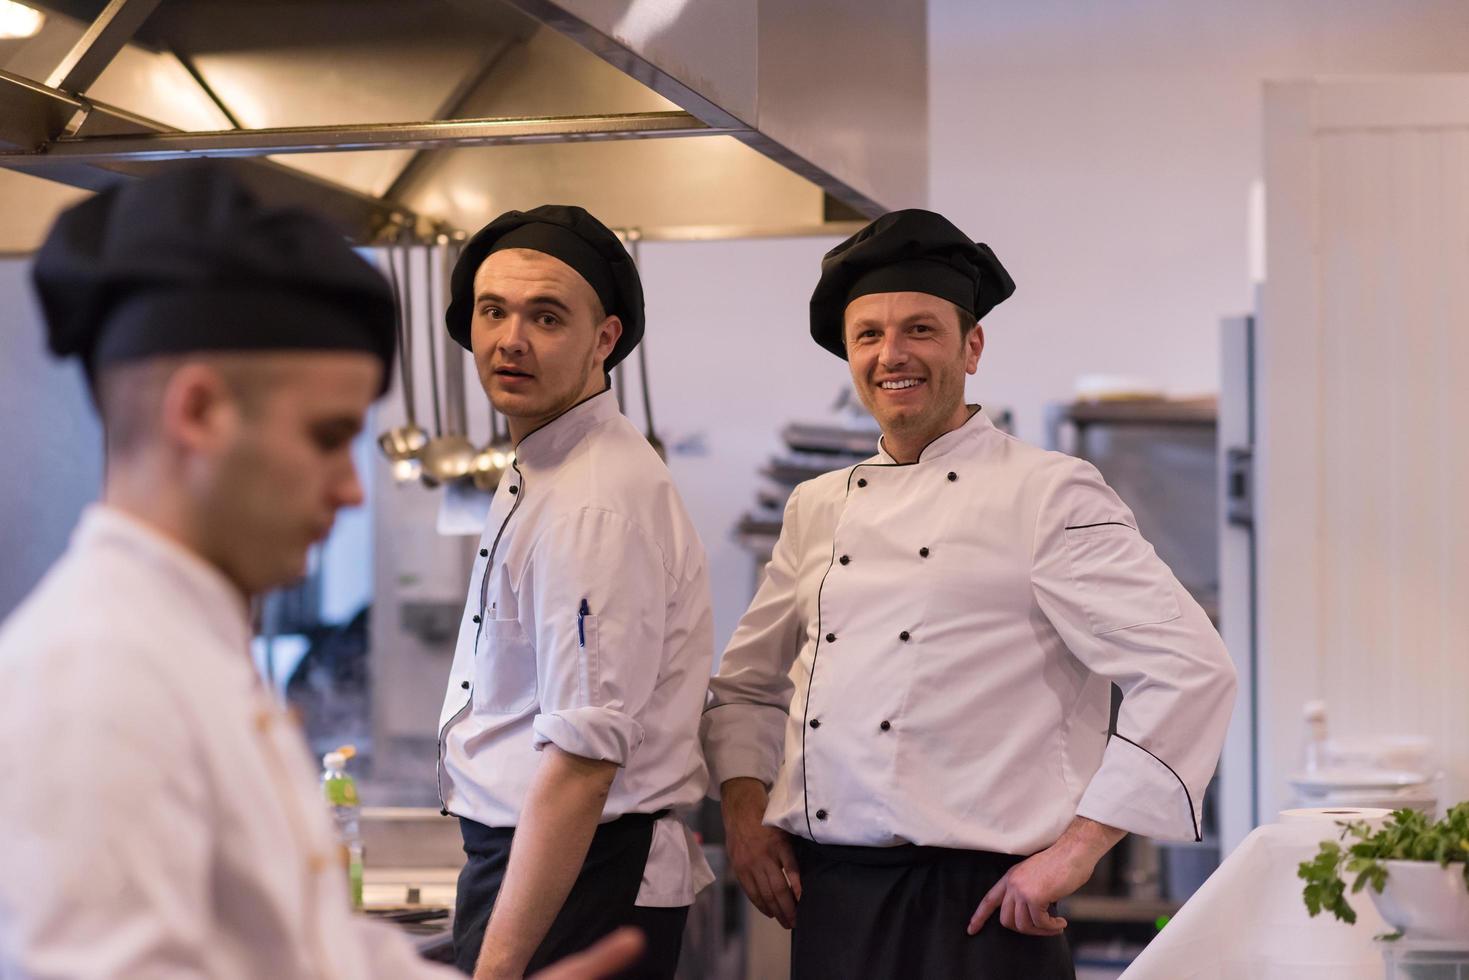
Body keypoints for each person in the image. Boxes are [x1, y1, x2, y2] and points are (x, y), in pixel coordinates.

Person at [0, 165, 644, 980]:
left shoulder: (187, 655)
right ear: (197, 413)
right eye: (327, 436)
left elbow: (312, 950)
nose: (348, 488)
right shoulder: (96, 686)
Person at [701, 209, 1238, 979]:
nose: (892, 355)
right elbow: (746, 687)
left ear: (971, 346)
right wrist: (744, 818)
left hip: (980, 912)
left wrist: (1079, 849)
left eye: (919, 329)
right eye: (868, 336)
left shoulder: (1047, 492)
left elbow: (1189, 670)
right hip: (829, 901)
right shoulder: (815, 506)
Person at [435, 206, 714, 980]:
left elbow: (581, 764)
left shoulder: (592, 499)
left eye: (546, 316)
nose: (510, 339)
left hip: (583, 873)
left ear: (604, 338)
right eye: (492, 311)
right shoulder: (550, 463)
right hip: (551, 863)